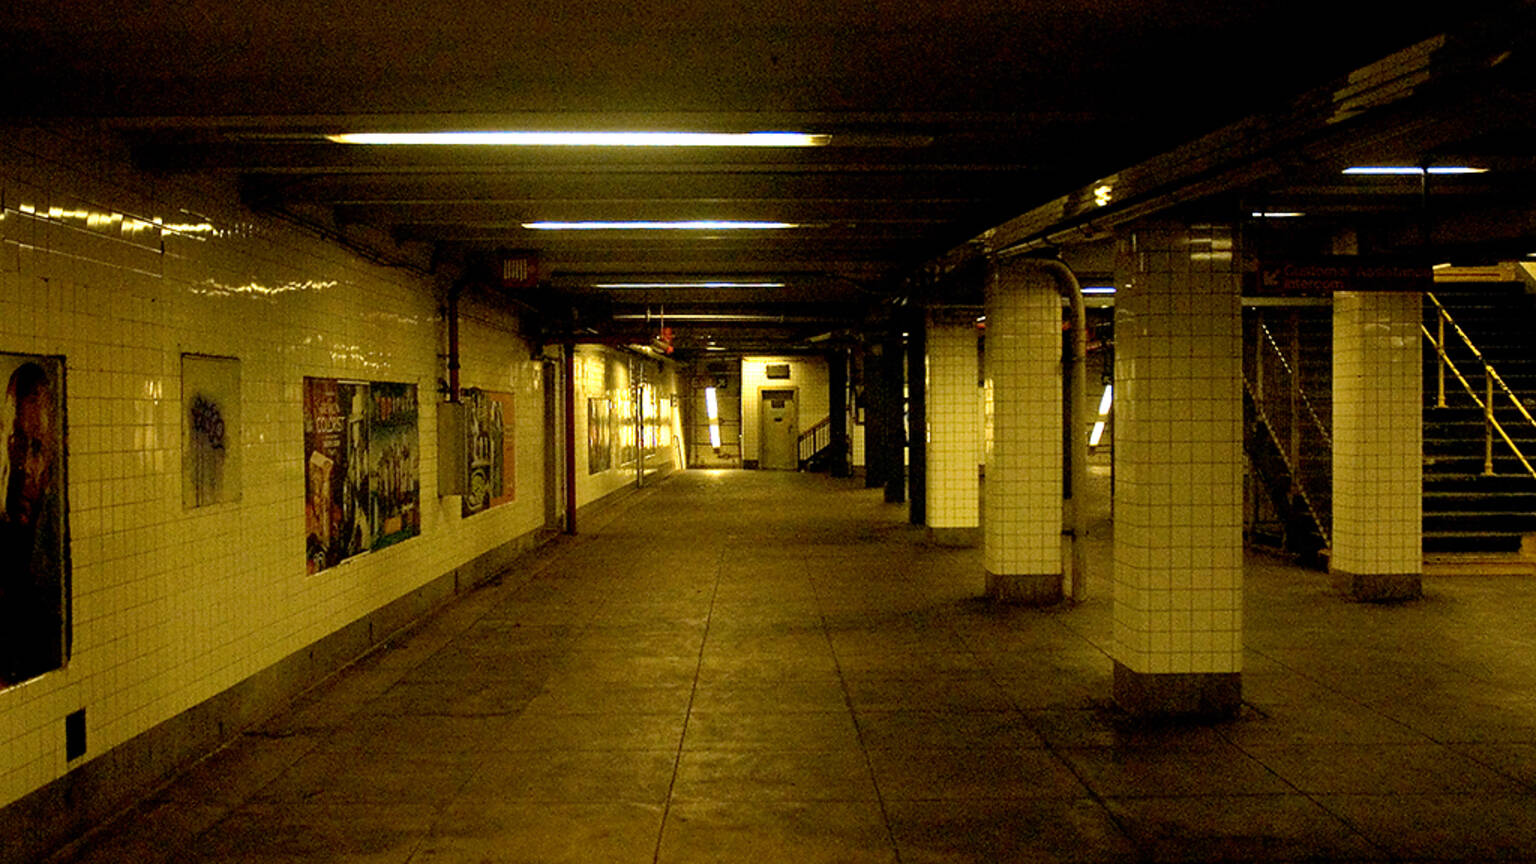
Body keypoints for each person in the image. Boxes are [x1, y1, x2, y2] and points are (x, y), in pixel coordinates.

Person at [0, 361, 65, 687]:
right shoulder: (10, 525)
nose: (25, 466)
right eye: (19, 442)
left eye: (36, 447)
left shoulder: (57, 535)